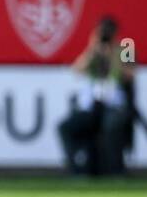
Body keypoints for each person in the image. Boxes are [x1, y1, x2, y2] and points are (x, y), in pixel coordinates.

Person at [58, 16, 135, 176]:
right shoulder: (93, 50)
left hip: (114, 105)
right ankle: (77, 171)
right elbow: (77, 70)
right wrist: (93, 49)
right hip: (91, 106)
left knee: (111, 126)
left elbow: (130, 74)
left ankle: (114, 170)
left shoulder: (125, 48)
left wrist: (114, 54)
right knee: (65, 127)